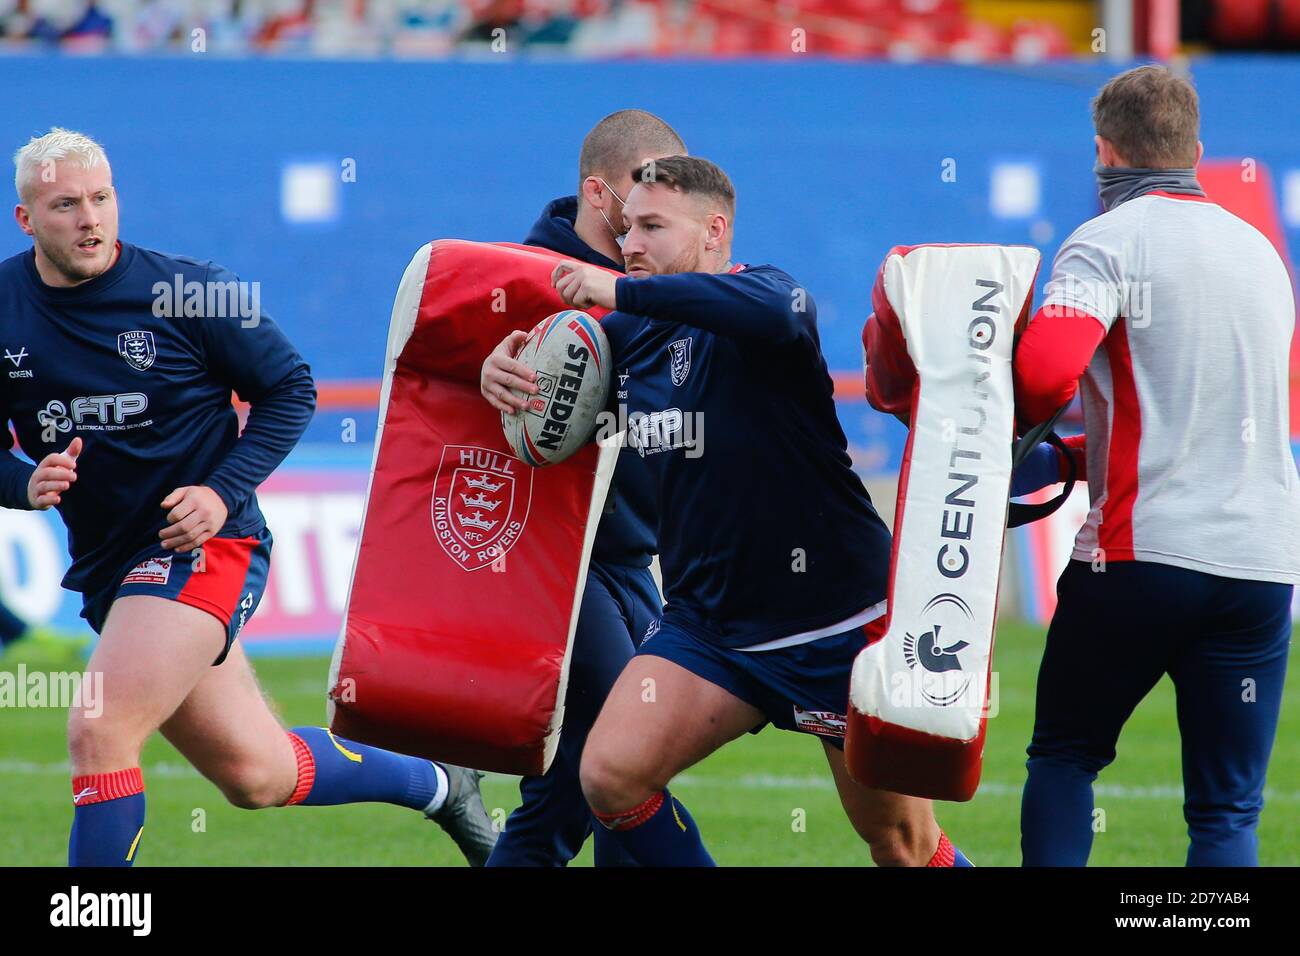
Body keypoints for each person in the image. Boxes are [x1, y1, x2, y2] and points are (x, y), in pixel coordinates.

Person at [1, 128, 495, 866]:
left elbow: (290, 387)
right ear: (27, 219)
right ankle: (438, 784)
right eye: (66, 204)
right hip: (110, 567)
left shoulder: (186, 290)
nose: (90, 218)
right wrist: (21, 482)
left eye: (101, 198)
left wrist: (220, 491)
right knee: (256, 774)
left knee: (98, 729)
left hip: (204, 546)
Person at [551, 155, 972, 867]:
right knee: (610, 777)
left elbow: (774, 312)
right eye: (627, 230)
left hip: (837, 623)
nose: (632, 246)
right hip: (710, 628)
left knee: (902, 844)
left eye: (654, 226)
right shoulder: (627, 338)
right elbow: (556, 371)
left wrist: (617, 291)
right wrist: (512, 369)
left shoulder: (768, 299)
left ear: (716, 231)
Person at [1013, 65, 1299, 866]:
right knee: (1227, 813)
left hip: (1142, 553)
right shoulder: (1261, 252)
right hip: (1260, 560)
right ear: (1195, 150)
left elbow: (1044, 376)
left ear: (1104, 152)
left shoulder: (1107, 240)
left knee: (1066, 756)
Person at [478, 109, 685, 866]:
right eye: (648, 184)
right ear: (598, 194)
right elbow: (424, 363)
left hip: (636, 557)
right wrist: (482, 375)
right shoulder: (517, 277)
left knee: (579, 783)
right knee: (628, 754)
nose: (667, 200)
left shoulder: (666, 283)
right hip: (554, 559)